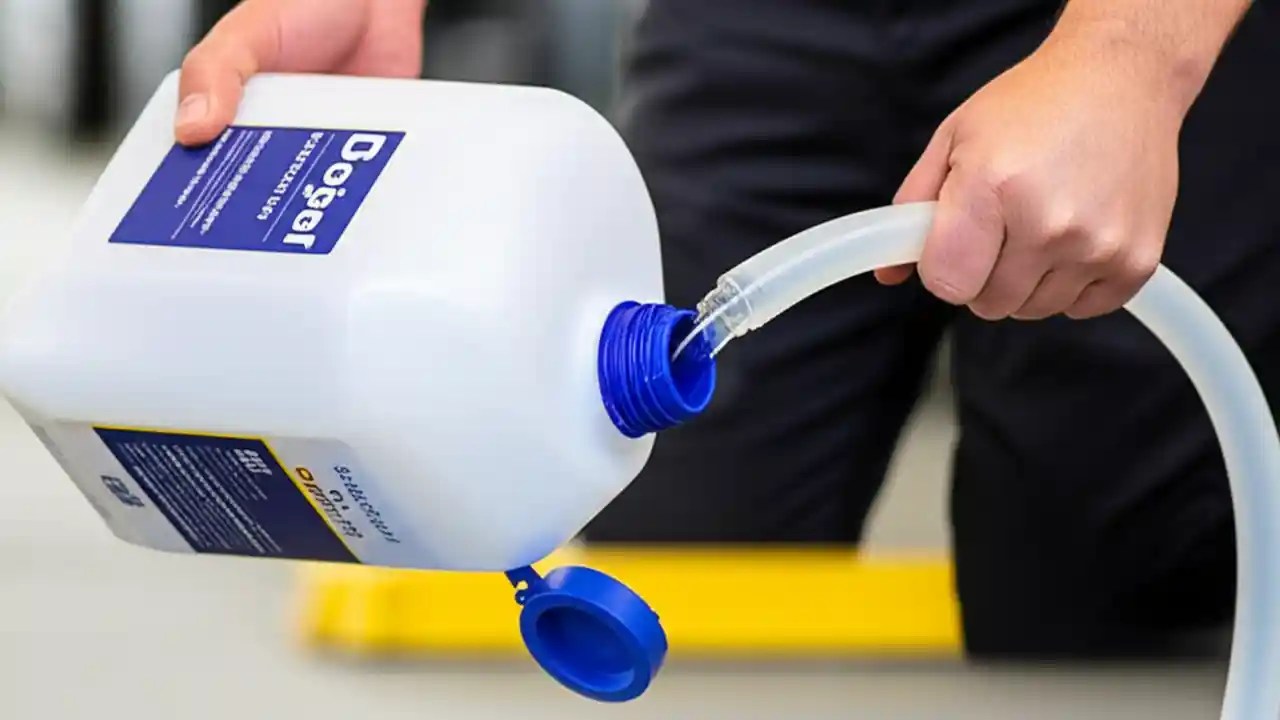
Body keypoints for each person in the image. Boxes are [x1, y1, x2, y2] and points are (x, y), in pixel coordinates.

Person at [177, 0, 1277, 658]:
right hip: (757, 24)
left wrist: (1130, 57)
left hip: (1111, 23)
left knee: (1092, 604)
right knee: (686, 565)